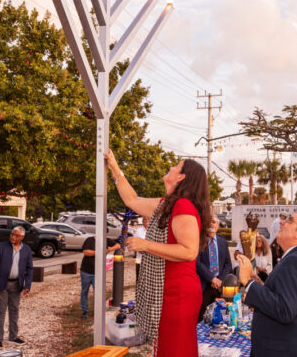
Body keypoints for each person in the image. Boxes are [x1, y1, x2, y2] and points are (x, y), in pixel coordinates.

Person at [105, 149, 210, 356]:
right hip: (167, 290)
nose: (170, 167)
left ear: (180, 177)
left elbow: (189, 251)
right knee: (166, 348)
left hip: (177, 293)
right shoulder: (167, 205)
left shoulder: (183, 206)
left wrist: (146, 245)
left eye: (175, 166)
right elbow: (132, 200)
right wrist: (115, 169)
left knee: (175, 349)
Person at [236, 211, 297, 357]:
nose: (281, 222)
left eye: (289, 221)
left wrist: (248, 282)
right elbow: (287, 298)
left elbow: (284, 309)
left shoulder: (296, 260)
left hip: (293, 348)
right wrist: (259, 284)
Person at [0, 226, 34, 348]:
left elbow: (30, 268)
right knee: (1, 312)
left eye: (16, 235)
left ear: (22, 237)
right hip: (1, 284)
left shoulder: (26, 249)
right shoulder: (1, 247)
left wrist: (27, 285)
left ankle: (13, 336)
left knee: (14, 310)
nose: (13, 237)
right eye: (12, 234)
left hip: (17, 285)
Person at [196, 215, 232, 319]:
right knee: (202, 316)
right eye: (208, 221)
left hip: (219, 285)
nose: (211, 224)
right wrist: (212, 278)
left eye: (213, 222)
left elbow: (228, 264)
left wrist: (219, 280)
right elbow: (197, 263)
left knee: (219, 315)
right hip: (204, 284)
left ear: (218, 225)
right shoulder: (199, 240)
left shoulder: (223, 242)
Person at [79, 235, 120, 319]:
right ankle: (85, 311)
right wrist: (100, 252)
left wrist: (109, 250)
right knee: (84, 291)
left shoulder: (106, 240)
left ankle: (97, 311)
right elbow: (86, 252)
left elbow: (118, 245)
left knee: (97, 292)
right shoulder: (89, 240)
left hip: (98, 273)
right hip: (86, 271)